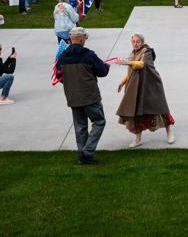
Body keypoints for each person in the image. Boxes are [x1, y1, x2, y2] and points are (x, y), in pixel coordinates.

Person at [56, 27, 110, 165]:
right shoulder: (89, 55)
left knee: (80, 126)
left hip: (72, 96)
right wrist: (106, 65)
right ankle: (87, 152)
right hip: (90, 95)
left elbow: (59, 77)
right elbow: (103, 71)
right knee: (99, 122)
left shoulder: (63, 57)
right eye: (85, 37)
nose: (85, 39)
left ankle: (82, 154)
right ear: (80, 39)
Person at [113, 33, 175, 148]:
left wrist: (127, 62)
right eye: (133, 41)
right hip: (138, 87)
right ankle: (138, 139)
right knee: (137, 112)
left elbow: (141, 65)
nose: (135, 44)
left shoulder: (147, 52)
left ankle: (169, 132)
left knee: (160, 108)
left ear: (142, 42)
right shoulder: (133, 53)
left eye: (137, 42)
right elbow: (131, 71)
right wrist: (124, 81)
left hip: (151, 85)